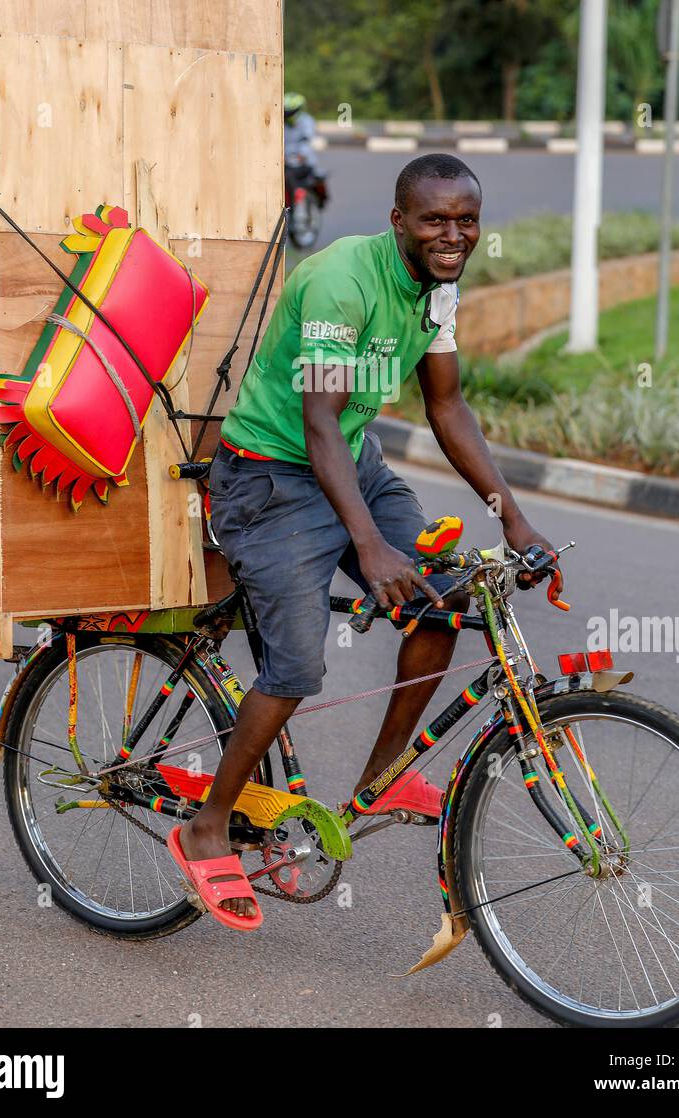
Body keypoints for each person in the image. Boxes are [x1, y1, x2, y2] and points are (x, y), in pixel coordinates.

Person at [167, 153, 558, 928]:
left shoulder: (439, 289)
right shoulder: (340, 282)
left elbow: (447, 409)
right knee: (295, 666)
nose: (454, 235)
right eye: (435, 221)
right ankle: (206, 827)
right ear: (398, 221)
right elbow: (317, 424)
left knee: (446, 598)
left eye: (466, 220)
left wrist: (509, 512)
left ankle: (382, 774)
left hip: (356, 461)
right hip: (270, 477)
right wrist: (370, 545)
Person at [283, 90, 321, 175]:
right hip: (285, 163)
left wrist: (301, 155)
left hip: (304, 162)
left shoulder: (306, 121)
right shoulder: (282, 123)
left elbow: (306, 141)